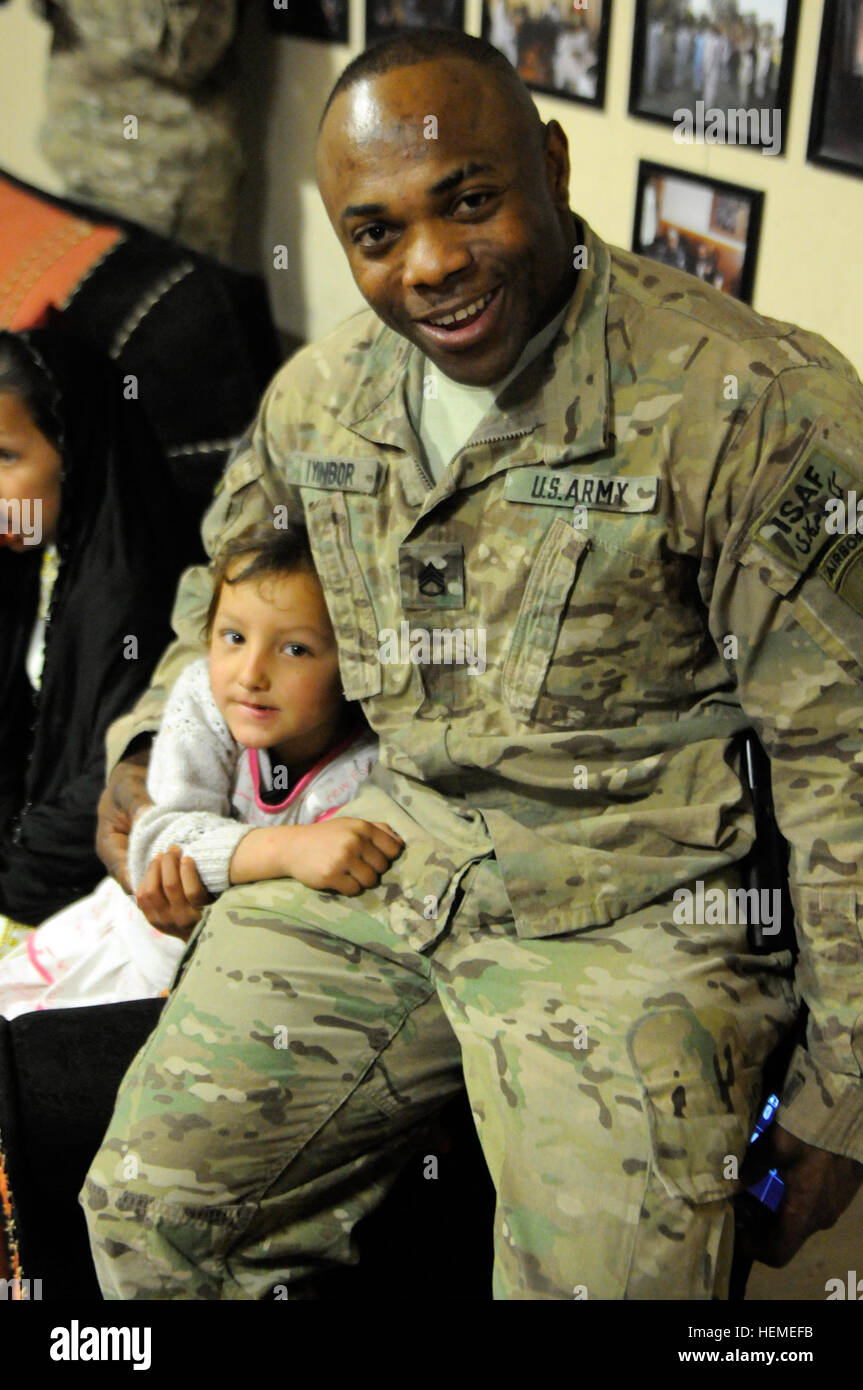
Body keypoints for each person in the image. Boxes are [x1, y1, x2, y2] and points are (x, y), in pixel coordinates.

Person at [84, 30, 863, 1301]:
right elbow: (218, 584)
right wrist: (140, 751)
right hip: (388, 853)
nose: (433, 263)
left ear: (549, 166)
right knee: (151, 1210)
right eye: (377, 231)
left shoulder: (753, 406)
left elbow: (847, 756)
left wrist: (843, 1094)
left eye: (471, 199)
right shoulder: (323, 397)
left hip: (636, 914)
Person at [0, 522, 389, 1017]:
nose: (250, 675)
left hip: (241, 992)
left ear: (354, 664)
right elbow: (160, 844)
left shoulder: (370, 771)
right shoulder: (202, 696)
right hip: (128, 940)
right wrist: (292, 850)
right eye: (233, 637)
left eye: (295, 649)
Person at [0, 328, 194, 948]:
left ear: (72, 451)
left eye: (5, 457)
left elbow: (105, 786)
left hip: (67, 890)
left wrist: (8, 870)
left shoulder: (132, 591)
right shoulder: (26, 553)